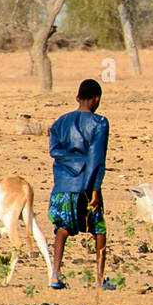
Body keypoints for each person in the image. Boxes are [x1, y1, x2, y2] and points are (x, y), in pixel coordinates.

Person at [47, 78, 114, 290]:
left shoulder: (59, 123)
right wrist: (94, 189)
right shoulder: (100, 123)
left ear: (77, 98)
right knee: (99, 229)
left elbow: (54, 151)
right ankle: (99, 279)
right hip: (87, 184)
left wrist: (71, 164)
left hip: (63, 185)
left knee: (62, 228)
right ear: (96, 100)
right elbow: (97, 158)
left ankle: (55, 275)